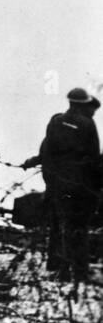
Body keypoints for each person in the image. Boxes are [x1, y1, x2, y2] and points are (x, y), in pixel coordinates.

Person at [34, 88, 101, 282]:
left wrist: (51, 180)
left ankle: (62, 270)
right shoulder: (87, 124)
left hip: (58, 182)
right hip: (80, 183)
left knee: (61, 225)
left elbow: (48, 152)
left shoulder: (55, 122)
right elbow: (94, 156)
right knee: (78, 227)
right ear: (83, 104)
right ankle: (79, 271)